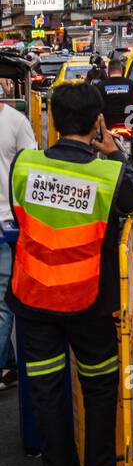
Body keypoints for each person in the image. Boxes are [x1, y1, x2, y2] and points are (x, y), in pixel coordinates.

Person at [9, 83, 133, 466]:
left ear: (52, 118)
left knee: (48, 389)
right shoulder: (109, 173)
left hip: (34, 297)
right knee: (100, 387)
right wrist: (113, 152)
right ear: (98, 121)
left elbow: (19, 210)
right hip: (88, 298)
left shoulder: (25, 165)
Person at [0, 97, 37, 391]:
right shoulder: (16, 122)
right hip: (7, 220)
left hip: (6, 224)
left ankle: (7, 365)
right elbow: (33, 174)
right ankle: (6, 364)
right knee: (3, 302)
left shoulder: (16, 121)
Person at [98, 55, 133, 178]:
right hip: (129, 122)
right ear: (121, 70)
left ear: (108, 71)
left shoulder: (101, 85)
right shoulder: (130, 84)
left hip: (108, 124)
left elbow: (96, 106)